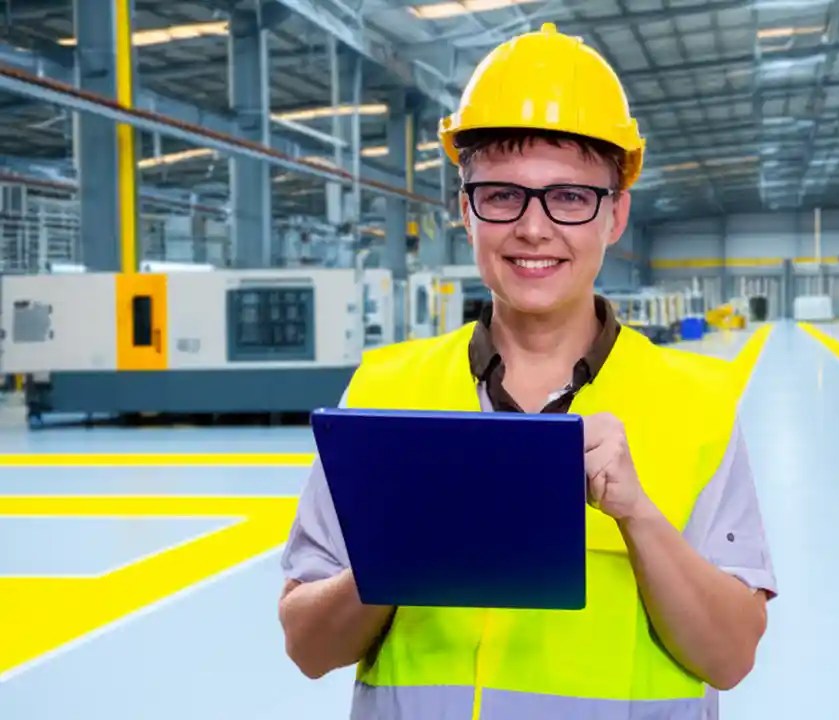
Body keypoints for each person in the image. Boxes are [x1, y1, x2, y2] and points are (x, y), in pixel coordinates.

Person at [277, 22, 776, 720]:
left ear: (616, 214)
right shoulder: (384, 396)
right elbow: (306, 646)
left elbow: (730, 658)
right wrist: (401, 547)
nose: (533, 228)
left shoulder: (695, 404)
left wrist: (637, 515)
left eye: (570, 197)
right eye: (502, 195)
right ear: (465, 210)